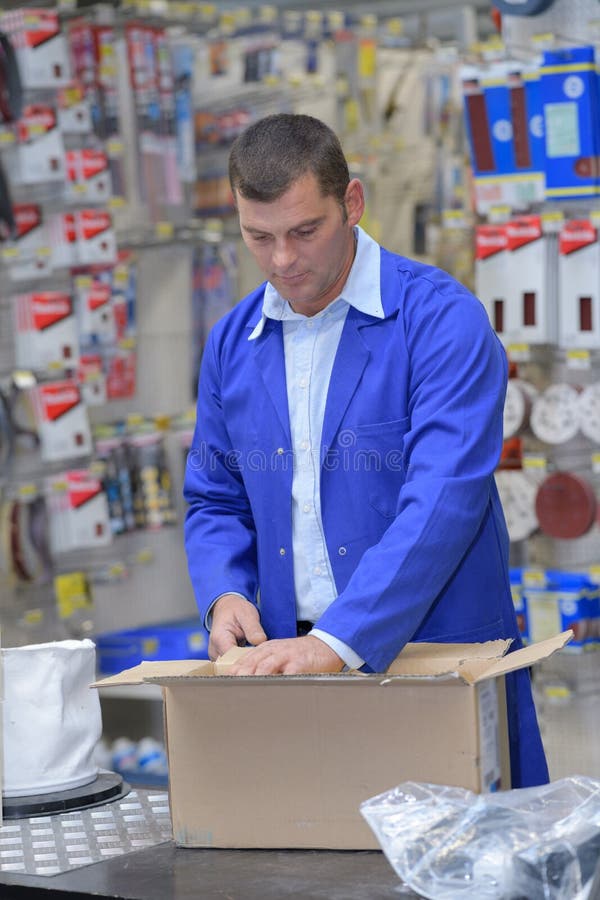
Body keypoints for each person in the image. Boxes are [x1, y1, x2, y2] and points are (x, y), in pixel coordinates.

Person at [183, 112, 548, 789]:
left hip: (439, 661)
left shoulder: (440, 321)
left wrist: (338, 640)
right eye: (257, 238)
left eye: (303, 231)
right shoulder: (234, 344)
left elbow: (444, 499)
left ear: (351, 204)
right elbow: (215, 496)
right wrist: (224, 592)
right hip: (295, 669)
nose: (283, 260)